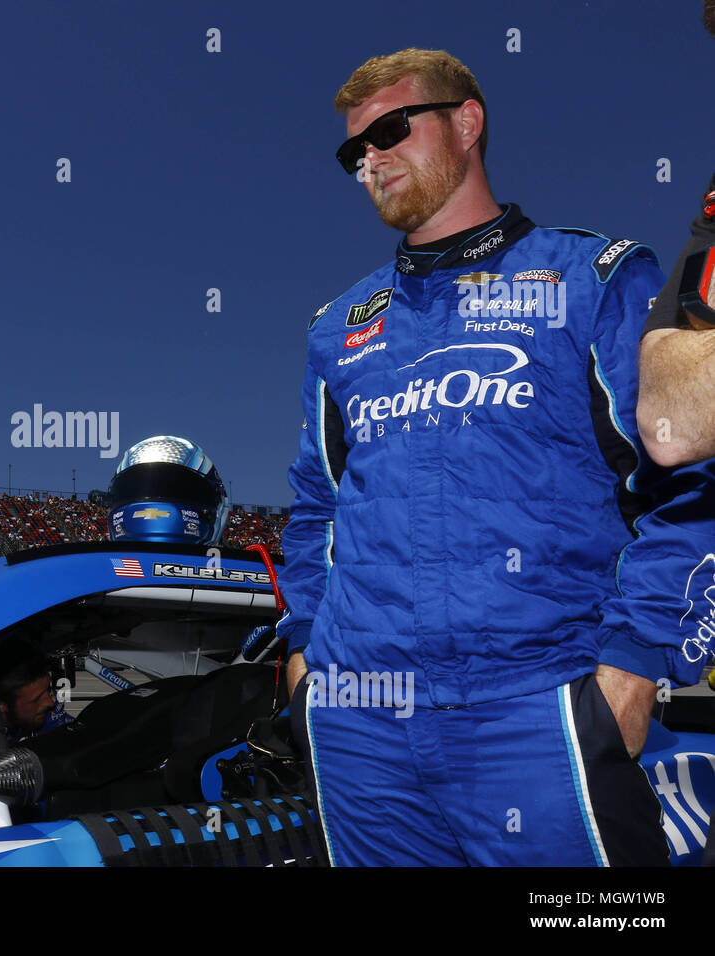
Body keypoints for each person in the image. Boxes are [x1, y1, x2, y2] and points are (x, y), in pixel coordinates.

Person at [278, 49, 677, 865]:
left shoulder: (591, 279)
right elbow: (316, 508)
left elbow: (684, 482)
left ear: (467, 122)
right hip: (359, 725)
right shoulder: (338, 326)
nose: (370, 160)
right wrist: (301, 656)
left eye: (390, 130)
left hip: (539, 710)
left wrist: (635, 666)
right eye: (354, 151)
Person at [0, 638, 74, 742]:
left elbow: (71, 736)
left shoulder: (42, 705)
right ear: (0, 705)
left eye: (48, 689)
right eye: (36, 700)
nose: (50, 702)